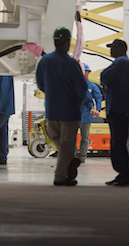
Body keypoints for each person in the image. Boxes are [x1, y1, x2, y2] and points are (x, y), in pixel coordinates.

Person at [35, 27, 87, 186]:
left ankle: (70, 162)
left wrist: (53, 94)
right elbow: (81, 89)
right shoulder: (71, 63)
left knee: (56, 138)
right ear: (67, 43)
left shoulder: (44, 61)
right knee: (66, 146)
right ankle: (60, 176)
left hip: (52, 111)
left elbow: (41, 84)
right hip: (69, 112)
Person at [100, 38, 129, 186]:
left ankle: (126, 175)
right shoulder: (122, 62)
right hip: (119, 109)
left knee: (118, 143)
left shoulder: (121, 62)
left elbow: (104, 76)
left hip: (119, 110)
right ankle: (124, 174)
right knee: (118, 143)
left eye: (113, 48)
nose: (110, 50)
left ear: (121, 49)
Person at [76, 62, 102, 164]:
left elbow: (98, 98)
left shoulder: (92, 86)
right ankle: (73, 156)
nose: (84, 74)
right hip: (74, 114)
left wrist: (97, 109)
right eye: (82, 72)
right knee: (71, 137)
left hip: (86, 115)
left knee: (85, 138)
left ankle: (82, 157)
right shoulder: (74, 85)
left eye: (86, 72)